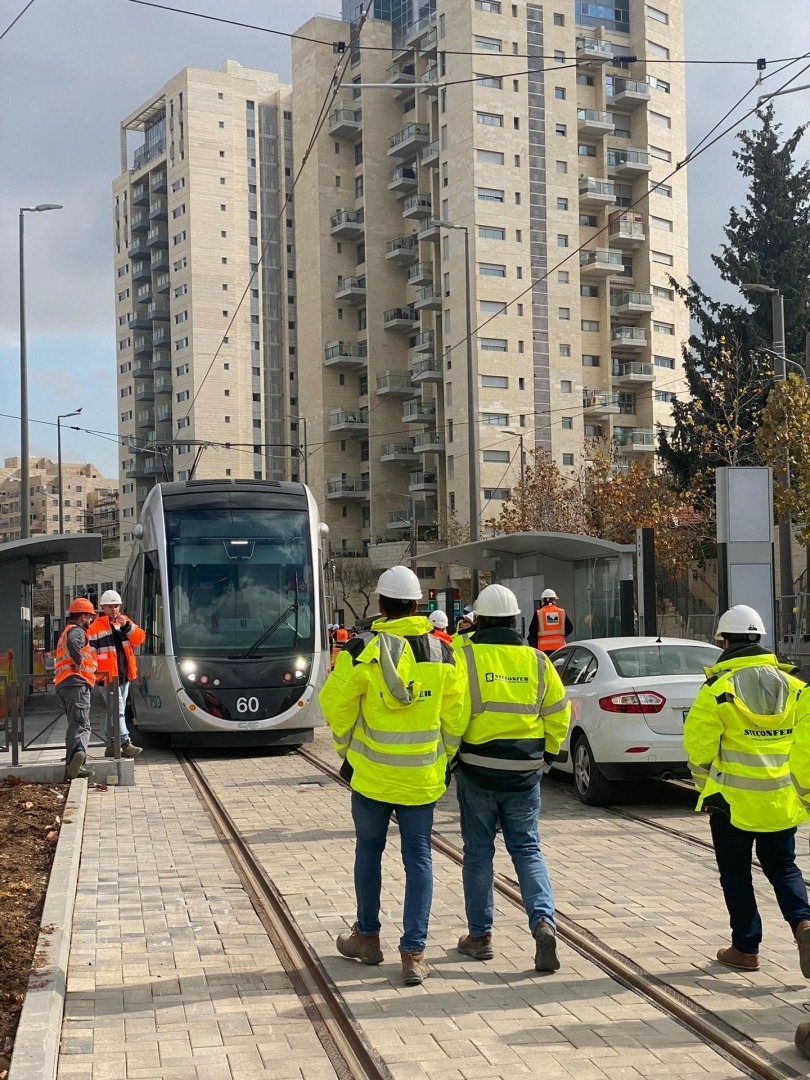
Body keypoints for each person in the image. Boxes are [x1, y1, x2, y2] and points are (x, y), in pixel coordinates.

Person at [318, 565, 467, 986]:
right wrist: (443, 756)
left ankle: (367, 938)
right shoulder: (443, 651)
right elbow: (456, 715)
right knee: (418, 858)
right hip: (421, 778)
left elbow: (334, 705)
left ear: (381, 605)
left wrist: (348, 749)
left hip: (370, 777)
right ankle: (414, 953)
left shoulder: (363, 648)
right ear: (418, 603)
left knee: (369, 852)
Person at [684, 604, 810, 973]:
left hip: (731, 803)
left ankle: (746, 948)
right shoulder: (798, 689)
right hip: (780, 800)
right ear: (760, 639)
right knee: (784, 867)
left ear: (725, 640)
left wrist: (705, 787)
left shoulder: (718, 690)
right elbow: (805, 749)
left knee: (736, 873)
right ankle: (803, 923)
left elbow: (698, 747)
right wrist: (802, 793)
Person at [454, 584, 570, 972]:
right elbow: (558, 713)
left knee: (478, 852)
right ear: (516, 621)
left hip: (478, 770)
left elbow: (453, 714)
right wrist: (547, 758)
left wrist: (449, 759)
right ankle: (542, 922)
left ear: (480, 621)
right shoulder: (538, 661)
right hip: (524, 774)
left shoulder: (464, 657)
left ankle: (480, 936)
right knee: (527, 849)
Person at [88, 590, 145, 759]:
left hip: (124, 675)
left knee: (113, 711)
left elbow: (139, 639)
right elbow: (90, 654)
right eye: (110, 606)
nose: (114, 609)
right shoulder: (95, 627)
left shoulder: (125, 621)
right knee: (118, 710)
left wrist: (127, 628)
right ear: (103, 607)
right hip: (107, 677)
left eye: (116, 606)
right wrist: (96, 673)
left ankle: (111, 746)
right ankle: (126, 743)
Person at [54, 598, 98, 781]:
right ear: (84, 616)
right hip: (76, 683)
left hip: (64, 684)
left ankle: (72, 762)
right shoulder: (77, 631)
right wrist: (79, 661)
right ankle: (77, 760)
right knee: (81, 725)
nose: (91, 620)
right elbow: (74, 643)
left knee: (76, 724)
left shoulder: (66, 631)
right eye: (90, 617)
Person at [528, 589, 573, 654]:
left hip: (543, 649)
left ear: (544, 600)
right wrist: (560, 636)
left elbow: (532, 630)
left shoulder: (539, 613)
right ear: (554, 600)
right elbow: (569, 628)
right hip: (559, 648)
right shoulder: (561, 612)